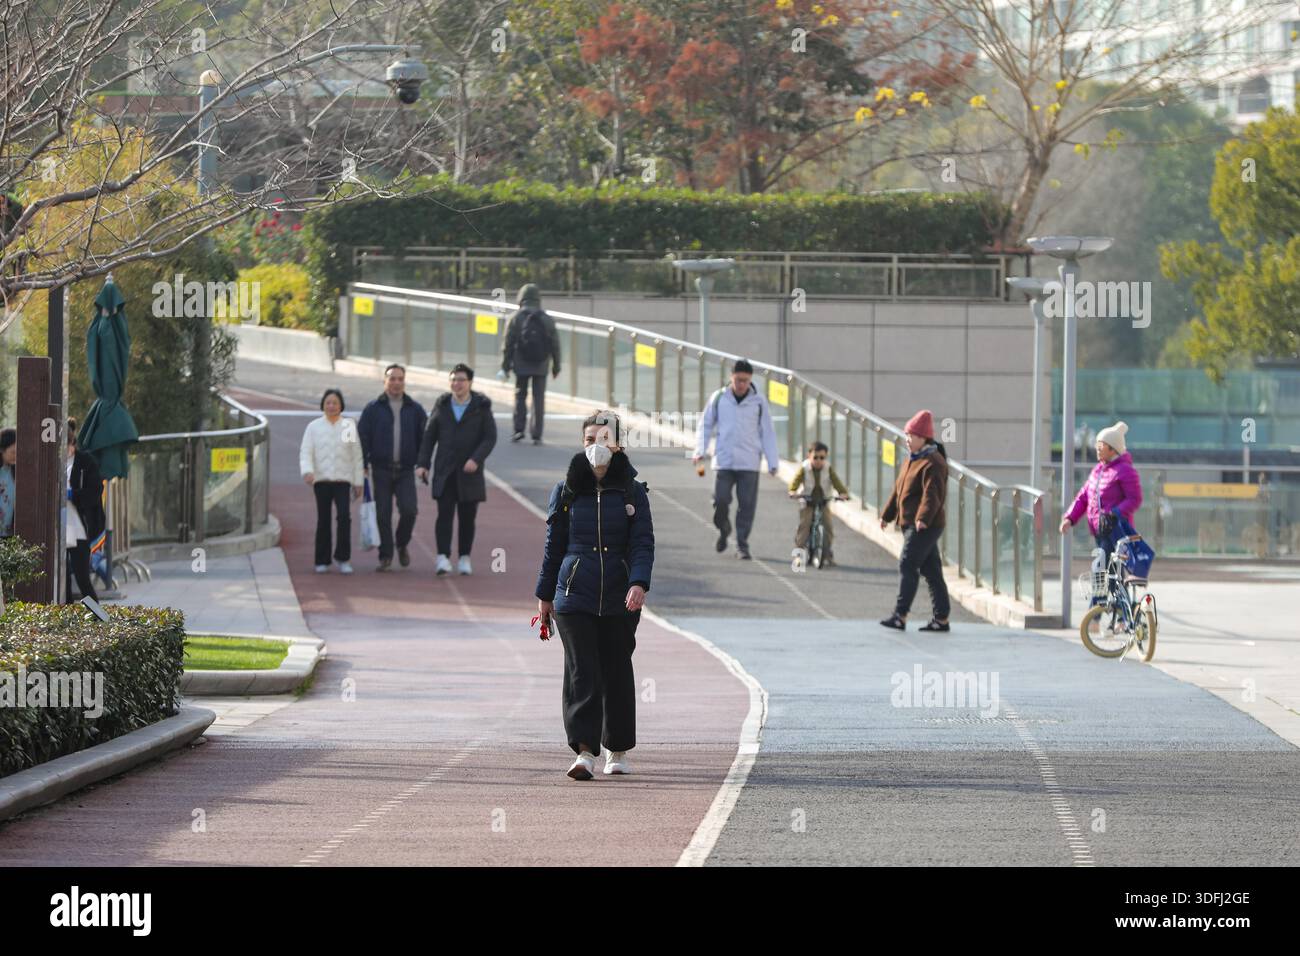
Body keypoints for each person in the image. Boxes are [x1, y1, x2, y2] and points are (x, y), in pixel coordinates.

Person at [535, 410, 654, 780]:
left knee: (616, 668)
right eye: (589, 440)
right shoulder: (567, 490)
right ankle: (584, 751)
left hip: (620, 595)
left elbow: (642, 544)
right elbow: (553, 546)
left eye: (603, 440)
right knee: (581, 670)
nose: (596, 447)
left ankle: (616, 750)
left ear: (617, 444)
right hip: (573, 595)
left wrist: (638, 582)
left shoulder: (633, 492)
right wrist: (544, 596)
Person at [692, 359, 779, 560]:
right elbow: (705, 425)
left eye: (746, 381)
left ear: (750, 380)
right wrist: (699, 450)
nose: (742, 384)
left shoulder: (759, 402)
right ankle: (724, 528)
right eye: (738, 380)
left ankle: (742, 545)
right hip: (724, 460)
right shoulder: (719, 398)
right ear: (731, 377)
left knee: (746, 506)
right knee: (720, 500)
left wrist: (772, 461)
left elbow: (768, 432)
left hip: (749, 462)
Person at [417, 364, 497, 576]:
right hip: (445, 471)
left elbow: (490, 437)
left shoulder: (481, 406)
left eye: (461, 380)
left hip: (470, 473)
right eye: (453, 379)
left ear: (470, 382)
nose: (456, 384)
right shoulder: (442, 404)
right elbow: (429, 436)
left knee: (467, 518)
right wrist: (423, 464)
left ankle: (464, 557)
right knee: (444, 515)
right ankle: (442, 557)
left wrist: (476, 459)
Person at [879, 410, 951, 632]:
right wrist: (887, 514)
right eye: (907, 435)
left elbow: (933, 495)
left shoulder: (933, 462)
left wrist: (922, 519)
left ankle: (900, 615)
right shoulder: (912, 459)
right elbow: (899, 490)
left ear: (923, 438)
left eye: (911, 436)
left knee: (908, 563)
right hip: (911, 522)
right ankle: (941, 618)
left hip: (924, 525)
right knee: (931, 570)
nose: (907, 440)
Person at [357, 364, 428, 571]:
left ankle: (401, 543)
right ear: (384, 381)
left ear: (404, 382)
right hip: (381, 469)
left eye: (400, 379)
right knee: (382, 513)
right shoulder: (373, 409)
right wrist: (362, 465)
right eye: (392, 378)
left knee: (409, 510)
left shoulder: (415, 409)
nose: (396, 382)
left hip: (406, 469)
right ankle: (385, 555)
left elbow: (425, 439)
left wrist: (422, 464)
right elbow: (362, 438)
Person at [1059, 421, 1143, 567]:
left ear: (1113, 449)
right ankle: (1112, 589)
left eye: (1101, 446)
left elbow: (1134, 499)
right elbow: (1084, 496)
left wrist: (1113, 514)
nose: (1097, 449)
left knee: (1101, 572)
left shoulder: (1125, 471)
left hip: (1115, 530)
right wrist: (1070, 518)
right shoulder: (1098, 470)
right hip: (1100, 529)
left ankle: (1110, 589)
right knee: (1104, 575)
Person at [300, 388, 364, 574]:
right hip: (321, 480)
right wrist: (308, 471)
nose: (331, 406)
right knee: (323, 519)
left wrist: (358, 481)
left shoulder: (347, 426)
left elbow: (355, 455)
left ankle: (343, 558)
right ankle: (322, 560)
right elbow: (306, 452)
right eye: (328, 402)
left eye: (335, 403)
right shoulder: (314, 427)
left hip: (343, 480)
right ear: (323, 405)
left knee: (344, 517)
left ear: (341, 405)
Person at [500, 283, 561, 445]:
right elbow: (555, 344)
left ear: (521, 298)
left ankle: (518, 430)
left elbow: (507, 345)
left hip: (521, 363)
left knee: (520, 395)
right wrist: (556, 366)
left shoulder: (515, 318)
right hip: (541, 364)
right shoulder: (546, 318)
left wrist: (505, 367)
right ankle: (537, 434)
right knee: (538, 398)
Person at [788, 441, 849, 566]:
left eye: (822, 458)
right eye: (815, 457)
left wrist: (843, 492)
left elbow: (836, 481)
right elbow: (796, 481)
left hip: (823, 500)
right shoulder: (804, 468)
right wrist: (793, 490)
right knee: (804, 527)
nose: (818, 461)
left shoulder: (828, 468)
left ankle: (826, 554)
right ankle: (798, 556)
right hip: (807, 500)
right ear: (809, 456)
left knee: (828, 528)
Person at [66, 419, 105, 603]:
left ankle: (98, 619)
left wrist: (73, 494)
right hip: (57, 528)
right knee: (61, 579)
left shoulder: (85, 462)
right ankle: (63, 620)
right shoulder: (49, 463)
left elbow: (95, 491)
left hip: (80, 528)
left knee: (82, 578)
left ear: (72, 444)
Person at [0, 428, 16, 538]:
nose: (16, 455)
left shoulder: (17, 471)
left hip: (10, 533)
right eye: (13, 452)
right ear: (2, 450)